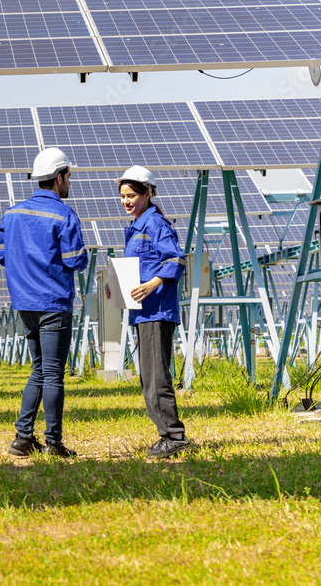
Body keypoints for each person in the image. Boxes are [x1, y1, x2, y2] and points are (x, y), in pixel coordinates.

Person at [0, 148, 88, 458]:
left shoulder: (10, 215)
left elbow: (2, 257)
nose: (69, 183)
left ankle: (23, 439)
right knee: (53, 374)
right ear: (59, 177)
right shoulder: (64, 214)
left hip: (25, 304)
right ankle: (53, 442)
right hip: (53, 303)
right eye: (69, 177)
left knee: (39, 371)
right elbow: (76, 261)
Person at [107, 166, 192, 459]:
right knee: (148, 378)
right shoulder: (136, 227)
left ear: (147, 194)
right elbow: (138, 268)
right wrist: (115, 285)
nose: (126, 201)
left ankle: (174, 436)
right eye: (122, 196)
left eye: (131, 196)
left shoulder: (155, 224)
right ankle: (167, 434)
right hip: (143, 313)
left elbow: (176, 261)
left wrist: (152, 284)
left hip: (157, 310)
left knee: (156, 377)